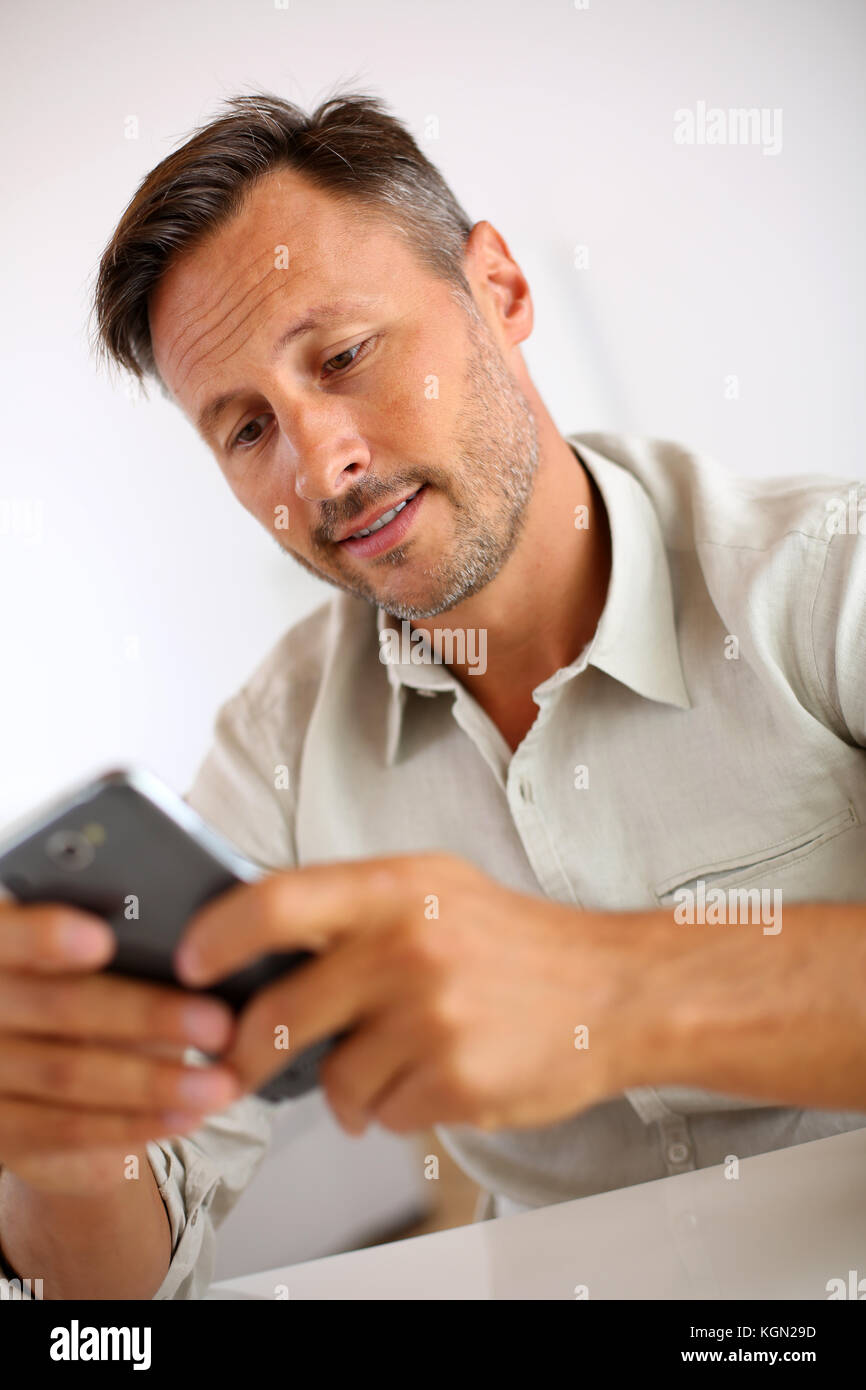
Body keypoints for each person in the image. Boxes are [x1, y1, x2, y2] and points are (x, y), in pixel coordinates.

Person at [1, 89, 865, 1300]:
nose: (320, 463)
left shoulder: (827, 573)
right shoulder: (275, 751)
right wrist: (63, 1151)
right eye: (246, 428)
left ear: (498, 290)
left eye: (344, 355)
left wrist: (608, 991)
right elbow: (109, 1299)